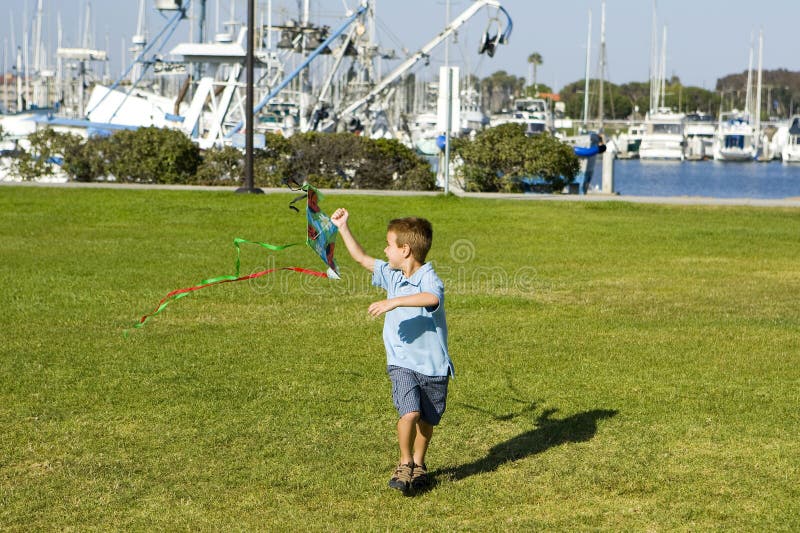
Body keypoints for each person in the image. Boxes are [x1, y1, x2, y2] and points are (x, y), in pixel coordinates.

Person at [330, 208, 453, 494]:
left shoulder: (429, 278)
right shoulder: (391, 275)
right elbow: (361, 258)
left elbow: (431, 297)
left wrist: (394, 303)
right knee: (409, 413)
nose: (384, 250)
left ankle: (420, 465)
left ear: (405, 249)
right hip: (402, 362)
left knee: (427, 420)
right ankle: (404, 461)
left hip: (434, 366)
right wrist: (343, 227)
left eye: (388, 245)